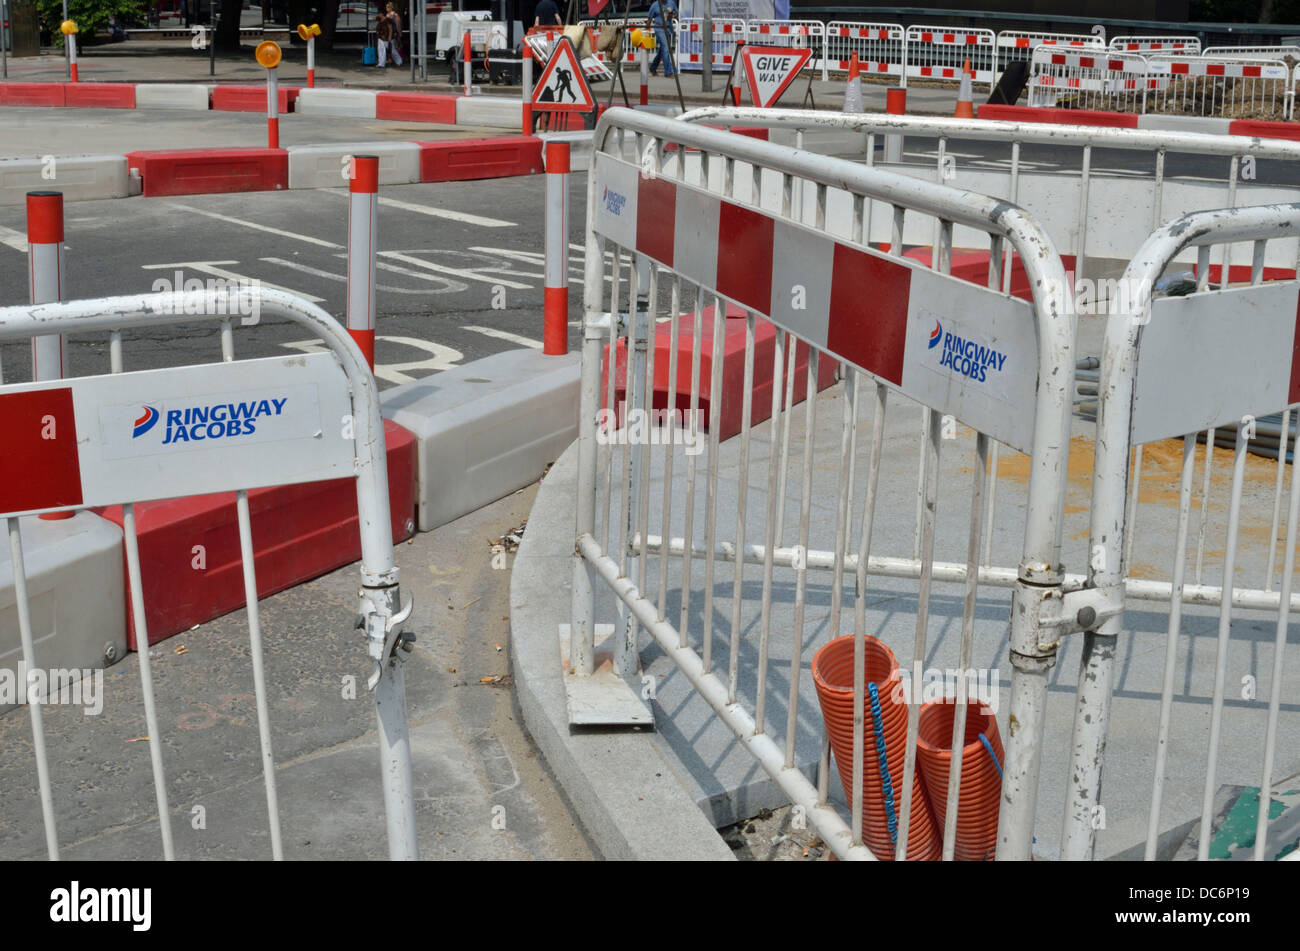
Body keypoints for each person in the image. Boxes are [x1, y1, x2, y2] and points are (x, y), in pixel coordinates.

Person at [647, 0, 677, 77]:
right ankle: (668, 72)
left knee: (663, 50)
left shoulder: (671, 3)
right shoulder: (655, 5)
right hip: (659, 29)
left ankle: (653, 68)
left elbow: (676, 13)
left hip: (669, 29)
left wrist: (672, 16)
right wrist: (646, 30)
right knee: (666, 49)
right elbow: (650, 18)